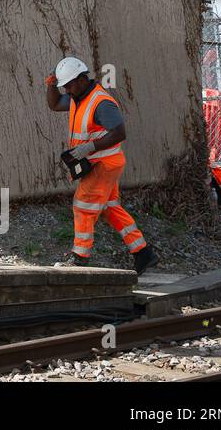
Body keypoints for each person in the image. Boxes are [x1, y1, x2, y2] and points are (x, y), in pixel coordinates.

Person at [46, 57, 158, 274]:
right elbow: (54, 104)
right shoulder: (77, 97)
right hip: (102, 162)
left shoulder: (101, 102)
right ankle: (143, 253)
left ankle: (79, 257)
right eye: (64, 86)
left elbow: (119, 133)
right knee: (110, 208)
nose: (66, 90)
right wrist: (52, 84)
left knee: (83, 205)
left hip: (102, 163)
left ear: (81, 79)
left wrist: (90, 147)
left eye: (69, 85)